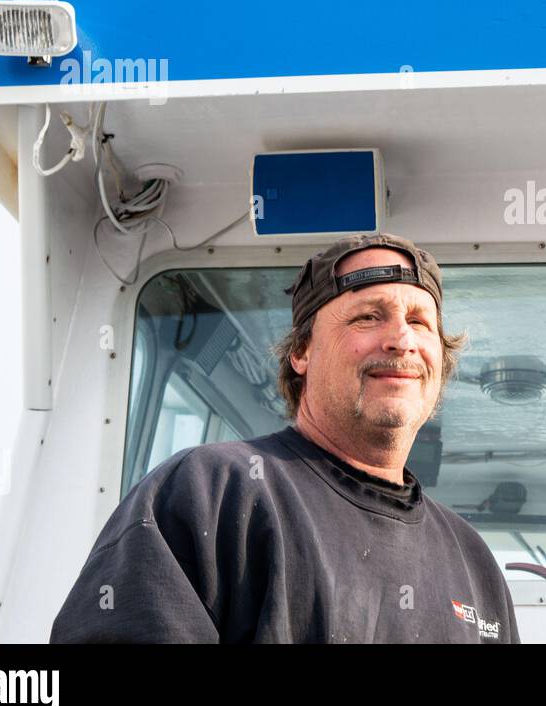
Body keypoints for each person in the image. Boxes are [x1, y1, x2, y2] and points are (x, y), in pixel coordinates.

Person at [51, 232, 520, 643]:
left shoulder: (476, 565)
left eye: (419, 322)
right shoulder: (208, 491)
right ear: (301, 351)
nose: (401, 339)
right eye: (368, 317)